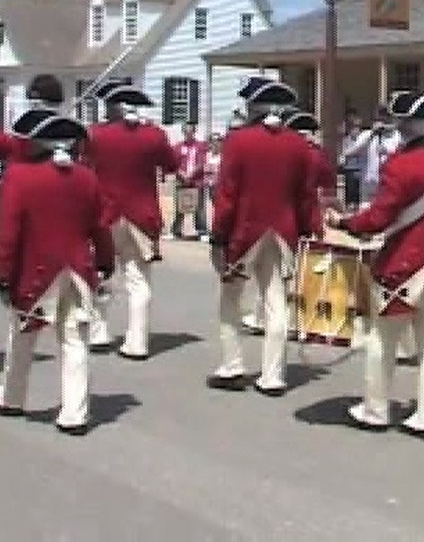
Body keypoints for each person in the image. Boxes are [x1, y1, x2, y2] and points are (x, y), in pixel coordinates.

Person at [327, 91, 424, 440]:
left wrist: (347, 224)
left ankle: (376, 409)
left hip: (407, 261)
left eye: (402, 123)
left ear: (411, 125)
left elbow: (380, 216)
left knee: (384, 336)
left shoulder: (403, 163)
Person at [0, 109, 115, 435]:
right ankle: (75, 412)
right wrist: (105, 260)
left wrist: (2, 274)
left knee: (23, 335)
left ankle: (13, 397)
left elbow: (8, 234)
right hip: (78, 270)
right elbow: (100, 225)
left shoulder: (19, 177)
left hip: (35, 272)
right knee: (74, 339)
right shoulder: (87, 177)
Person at [208, 78, 319, 396]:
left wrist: (219, 235)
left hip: (245, 230)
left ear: (254, 106)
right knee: (276, 301)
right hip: (284, 231)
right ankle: (273, 375)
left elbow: (227, 193)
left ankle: (232, 365)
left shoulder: (238, 141)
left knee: (230, 298)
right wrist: (309, 229)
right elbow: (306, 195)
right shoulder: (299, 144)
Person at [83, 81, 180, 359]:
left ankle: (99, 332)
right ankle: (137, 341)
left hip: (104, 213)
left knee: (99, 272)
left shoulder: (95, 134)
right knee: (138, 280)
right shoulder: (153, 135)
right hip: (142, 215)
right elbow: (172, 164)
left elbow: (83, 163)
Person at [340, 105, 402, 208]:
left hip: (388, 183)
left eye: (384, 119)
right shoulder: (367, 135)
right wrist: (372, 134)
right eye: (377, 119)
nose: (381, 122)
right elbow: (350, 152)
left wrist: (387, 151)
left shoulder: (397, 136)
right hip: (368, 184)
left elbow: (402, 154)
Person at [170, 122, 209, 241]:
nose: (188, 134)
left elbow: (202, 162)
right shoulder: (177, 147)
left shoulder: (201, 146)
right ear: (183, 132)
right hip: (181, 180)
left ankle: (202, 231)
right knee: (179, 207)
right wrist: (181, 174)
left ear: (194, 132)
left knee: (199, 207)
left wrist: (191, 175)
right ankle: (176, 231)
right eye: (186, 132)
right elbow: (173, 163)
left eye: (191, 131)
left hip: (197, 181)